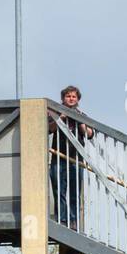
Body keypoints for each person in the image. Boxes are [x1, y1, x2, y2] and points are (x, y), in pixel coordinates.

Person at [48, 83, 94, 230]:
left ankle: (73, 221)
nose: (71, 99)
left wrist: (80, 122)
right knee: (59, 190)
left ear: (78, 99)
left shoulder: (81, 115)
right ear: (63, 99)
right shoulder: (55, 113)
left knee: (74, 192)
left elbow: (90, 134)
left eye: (74, 96)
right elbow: (48, 129)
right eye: (68, 96)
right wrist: (60, 117)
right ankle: (62, 219)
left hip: (76, 160)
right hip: (58, 157)